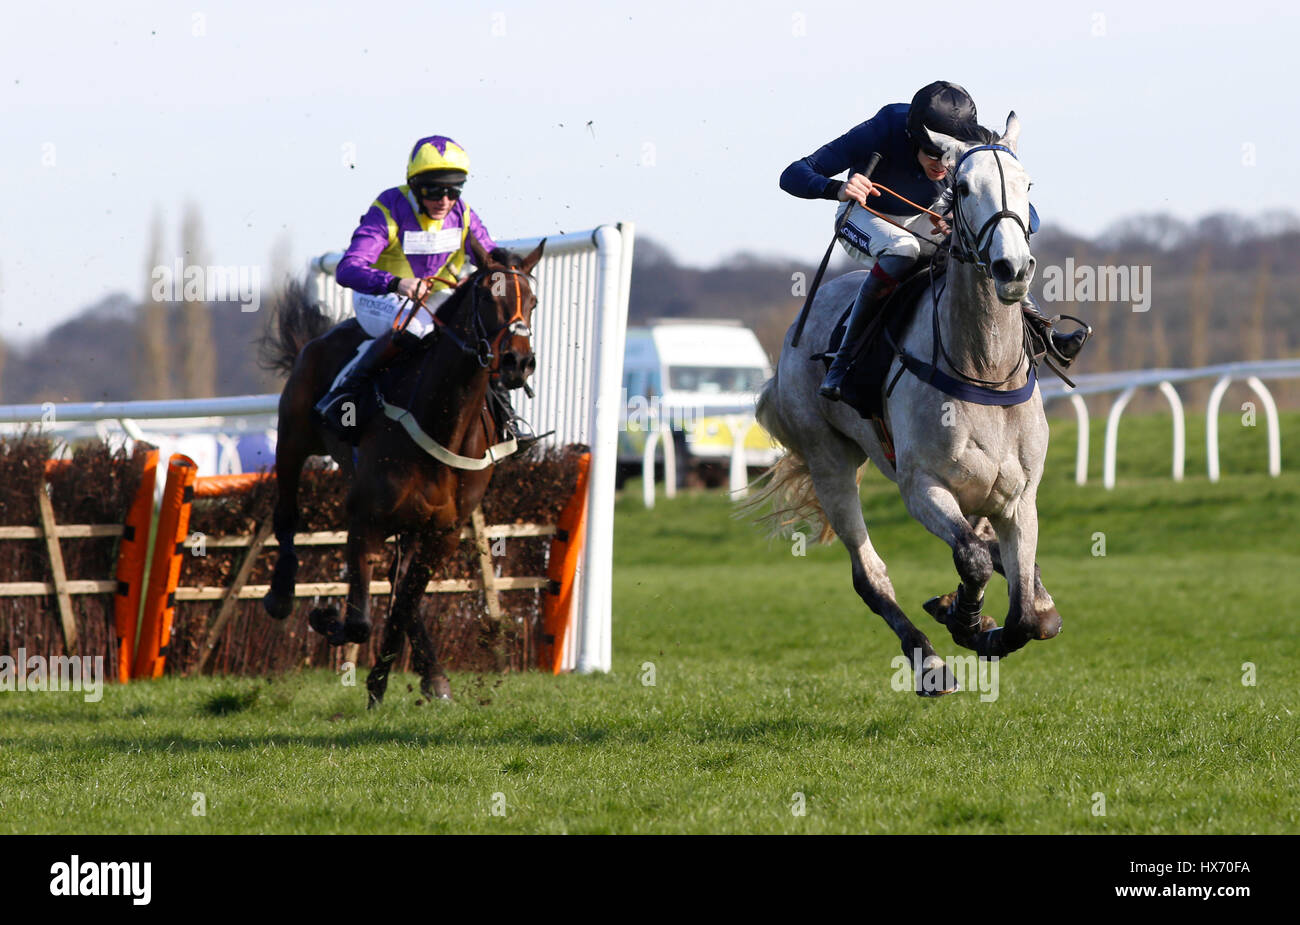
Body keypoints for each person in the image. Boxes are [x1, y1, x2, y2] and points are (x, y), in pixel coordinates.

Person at [779, 81, 1089, 402]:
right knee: (902, 251)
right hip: (866, 213)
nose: (941, 166)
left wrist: (965, 222)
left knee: (984, 241)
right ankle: (844, 361)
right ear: (913, 138)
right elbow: (794, 173)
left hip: (927, 215)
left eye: (949, 157)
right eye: (932, 154)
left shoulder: (975, 143)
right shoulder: (884, 127)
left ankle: (1044, 333)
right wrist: (837, 189)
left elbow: (1024, 216)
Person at [314, 135, 497, 440]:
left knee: (474, 333)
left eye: (453, 190)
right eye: (434, 190)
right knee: (420, 328)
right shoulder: (388, 208)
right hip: (379, 297)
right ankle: (345, 394)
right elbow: (348, 270)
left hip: (433, 299)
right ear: (414, 185)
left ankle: (502, 415)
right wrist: (397, 283)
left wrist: (494, 277)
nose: (444, 200)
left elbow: (491, 259)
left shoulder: (462, 214)